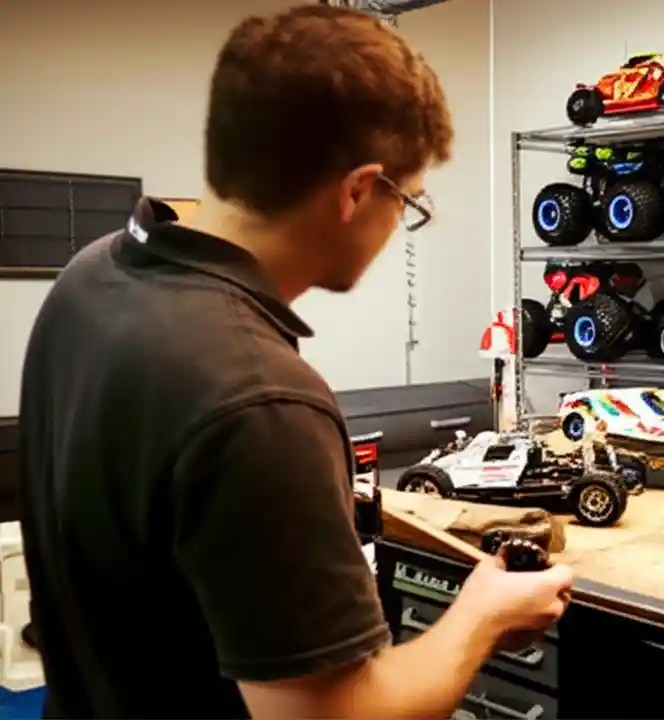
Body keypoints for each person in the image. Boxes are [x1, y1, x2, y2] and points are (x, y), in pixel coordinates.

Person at [17, 5, 572, 718]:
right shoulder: (258, 400)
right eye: (410, 201)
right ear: (357, 190)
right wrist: (482, 617)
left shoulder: (90, 278)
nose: (403, 219)